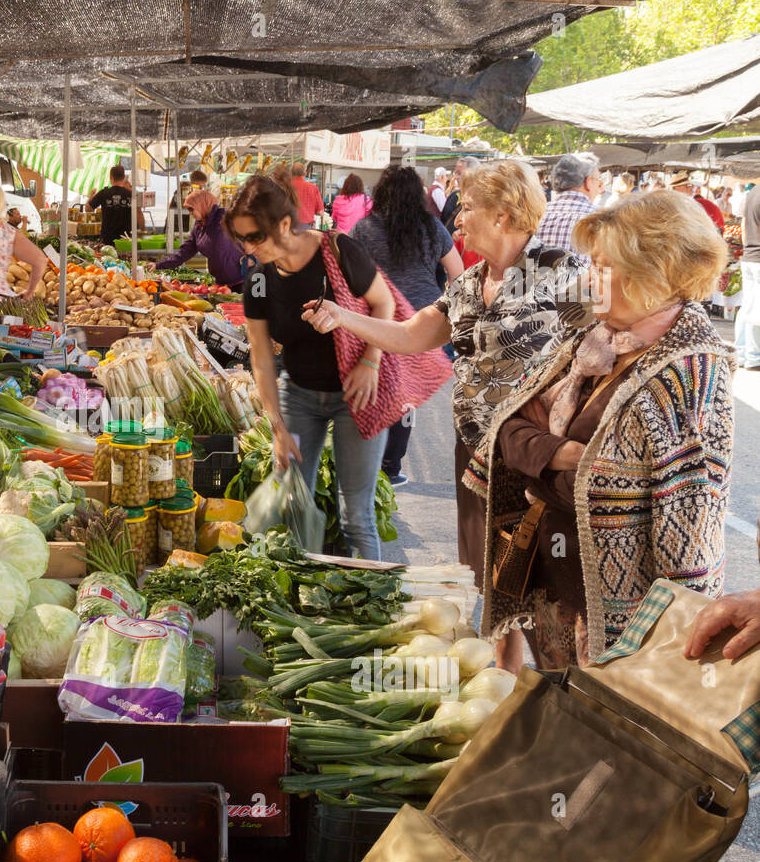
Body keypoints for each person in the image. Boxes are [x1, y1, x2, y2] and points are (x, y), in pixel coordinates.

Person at [471, 191, 731, 671]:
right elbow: (506, 429)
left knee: (596, 736)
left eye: (603, 266)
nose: (587, 278)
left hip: (622, 623)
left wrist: (550, 462)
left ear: (656, 273)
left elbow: (686, 523)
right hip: (552, 580)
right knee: (559, 711)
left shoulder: (689, 372)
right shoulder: (593, 338)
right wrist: (566, 455)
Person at [301, 160, 590, 585]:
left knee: (537, 579)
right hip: (474, 451)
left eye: (468, 206)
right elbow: (409, 334)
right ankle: (500, 653)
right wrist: (342, 316)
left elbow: (608, 344)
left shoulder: (561, 271)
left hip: (534, 455)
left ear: (502, 214)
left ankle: (518, 652)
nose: (457, 217)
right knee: (484, 569)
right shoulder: (469, 283)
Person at [230, 173, 402, 560]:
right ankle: (298, 601)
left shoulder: (339, 251)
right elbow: (260, 355)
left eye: (255, 236)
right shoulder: (258, 280)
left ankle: (366, 613)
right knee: (288, 506)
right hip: (300, 396)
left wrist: (370, 362)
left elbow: (385, 304)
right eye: (242, 239)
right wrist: (277, 427)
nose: (248, 248)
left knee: (356, 515)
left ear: (285, 224)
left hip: (357, 395)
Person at [348, 165, 465, 487]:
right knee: (406, 392)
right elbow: (459, 275)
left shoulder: (365, 229)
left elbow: (349, 276)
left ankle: (371, 461)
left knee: (380, 385)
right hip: (425, 319)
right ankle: (391, 467)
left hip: (379, 318)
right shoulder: (432, 227)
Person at [153, 189, 245, 288]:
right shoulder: (199, 226)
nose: (190, 213)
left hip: (242, 280)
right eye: (188, 210)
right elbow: (184, 252)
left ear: (202, 205)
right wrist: (158, 265)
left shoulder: (225, 216)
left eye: (191, 209)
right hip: (220, 283)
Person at [536, 152, 600, 263]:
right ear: (588, 182)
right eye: (598, 182)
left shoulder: (535, 215)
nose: (599, 187)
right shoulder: (600, 220)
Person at [86, 165, 145, 246]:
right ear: (124, 177)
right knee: (126, 258)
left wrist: (91, 197)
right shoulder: (131, 195)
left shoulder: (103, 193)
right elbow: (139, 213)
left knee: (107, 258)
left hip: (107, 239)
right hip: (126, 238)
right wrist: (143, 230)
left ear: (111, 177)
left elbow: (88, 209)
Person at [736, 182, 760, 370]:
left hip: (750, 255)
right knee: (756, 307)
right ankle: (754, 356)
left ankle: (742, 353)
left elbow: (743, 228)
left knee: (747, 306)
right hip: (757, 258)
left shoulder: (752, 193)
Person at [439, 156, 480, 232]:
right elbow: (442, 220)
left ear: (473, 174)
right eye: (456, 173)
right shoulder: (453, 196)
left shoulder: (482, 200)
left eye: (460, 173)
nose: (456, 177)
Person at [290, 162, 325, 228]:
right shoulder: (313, 188)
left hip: (289, 227)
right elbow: (320, 212)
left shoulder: (286, 186)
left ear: (291, 173)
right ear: (305, 173)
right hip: (306, 228)